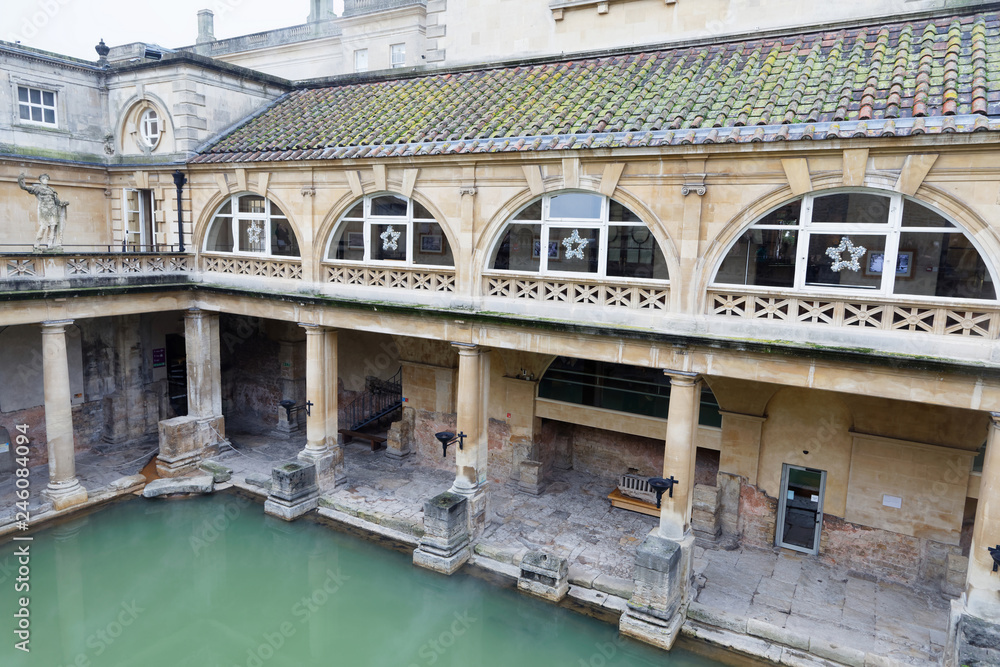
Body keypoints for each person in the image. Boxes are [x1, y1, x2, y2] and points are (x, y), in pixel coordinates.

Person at [18, 173, 69, 250]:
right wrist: (21, 181)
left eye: (47, 179)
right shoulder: (37, 188)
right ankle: (37, 243)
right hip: (43, 210)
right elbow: (24, 187)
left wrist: (63, 203)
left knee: (52, 227)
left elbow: (57, 202)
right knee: (43, 227)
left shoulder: (52, 190)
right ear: (40, 180)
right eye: (43, 179)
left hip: (52, 210)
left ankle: (50, 244)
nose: (45, 180)